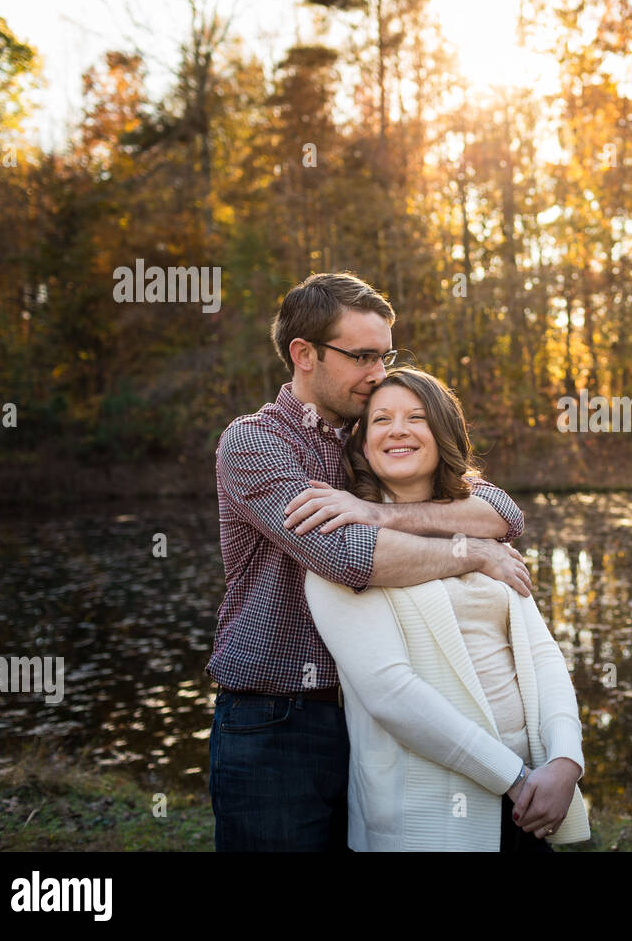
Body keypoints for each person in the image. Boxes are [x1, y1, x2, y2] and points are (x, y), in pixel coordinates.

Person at [207, 272, 532, 852]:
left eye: (384, 355)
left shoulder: (375, 429)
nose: (378, 374)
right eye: (361, 356)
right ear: (303, 354)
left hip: (374, 723)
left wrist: (379, 512)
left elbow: (500, 511)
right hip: (277, 722)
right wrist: (472, 553)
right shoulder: (255, 443)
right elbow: (345, 556)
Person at [304, 367, 590, 851]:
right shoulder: (342, 546)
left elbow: (541, 656)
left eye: (416, 417)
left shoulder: (484, 531)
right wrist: (512, 778)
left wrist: (564, 760)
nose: (398, 429)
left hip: (531, 801)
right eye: (381, 420)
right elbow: (391, 693)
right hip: (429, 813)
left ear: (442, 433)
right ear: (363, 443)